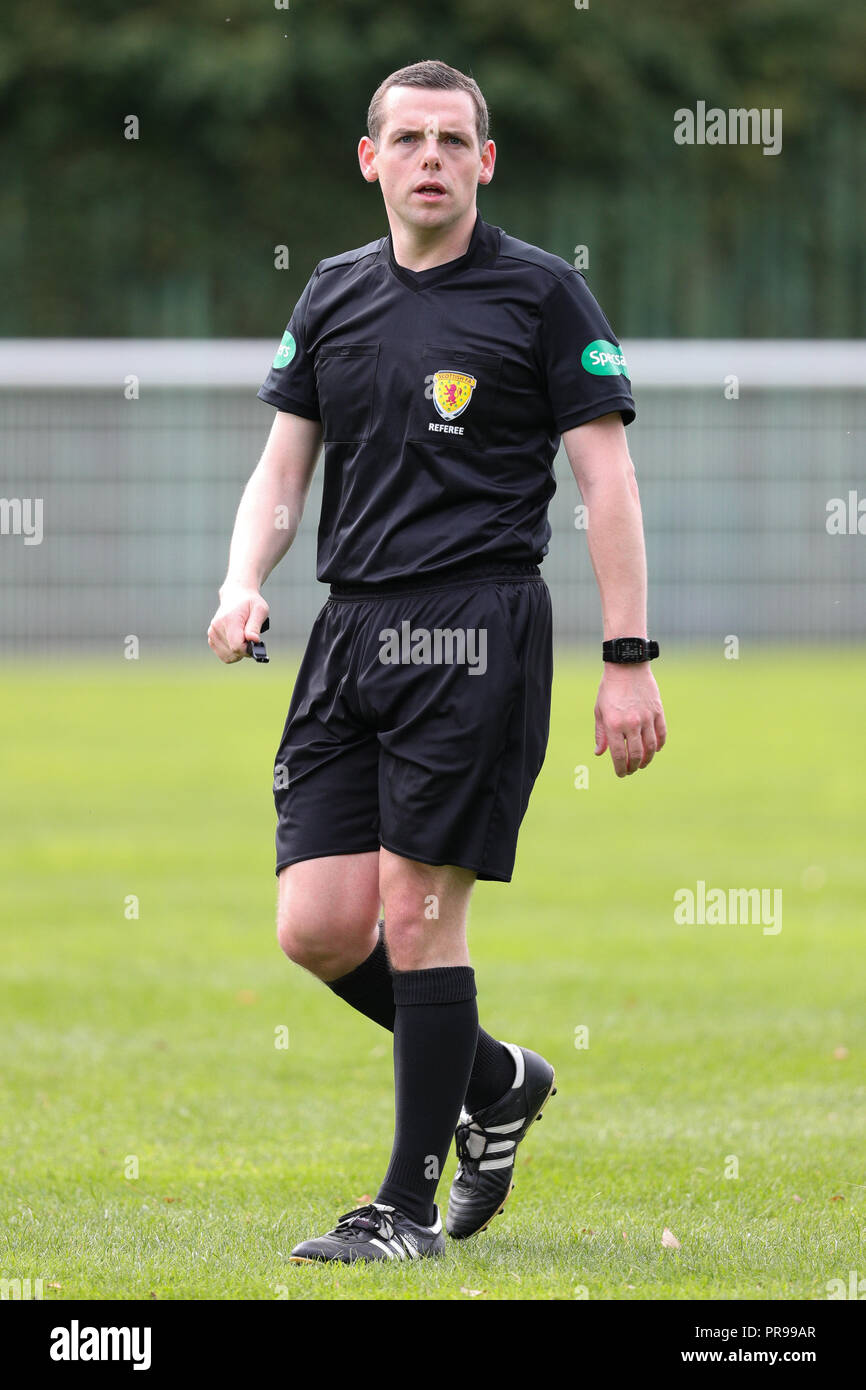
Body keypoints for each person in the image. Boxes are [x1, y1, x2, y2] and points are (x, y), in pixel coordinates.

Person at [207, 58, 666, 1263]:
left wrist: (628, 654)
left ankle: (403, 1209)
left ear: (483, 161)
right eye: (405, 138)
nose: (428, 158)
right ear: (369, 159)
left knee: (415, 913)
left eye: (451, 141)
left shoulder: (542, 294)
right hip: (347, 630)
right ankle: (498, 1079)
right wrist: (240, 579)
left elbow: (604, 477)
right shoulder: (333, 290)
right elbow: (283, 465)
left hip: (474, 627)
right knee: (316, 925)